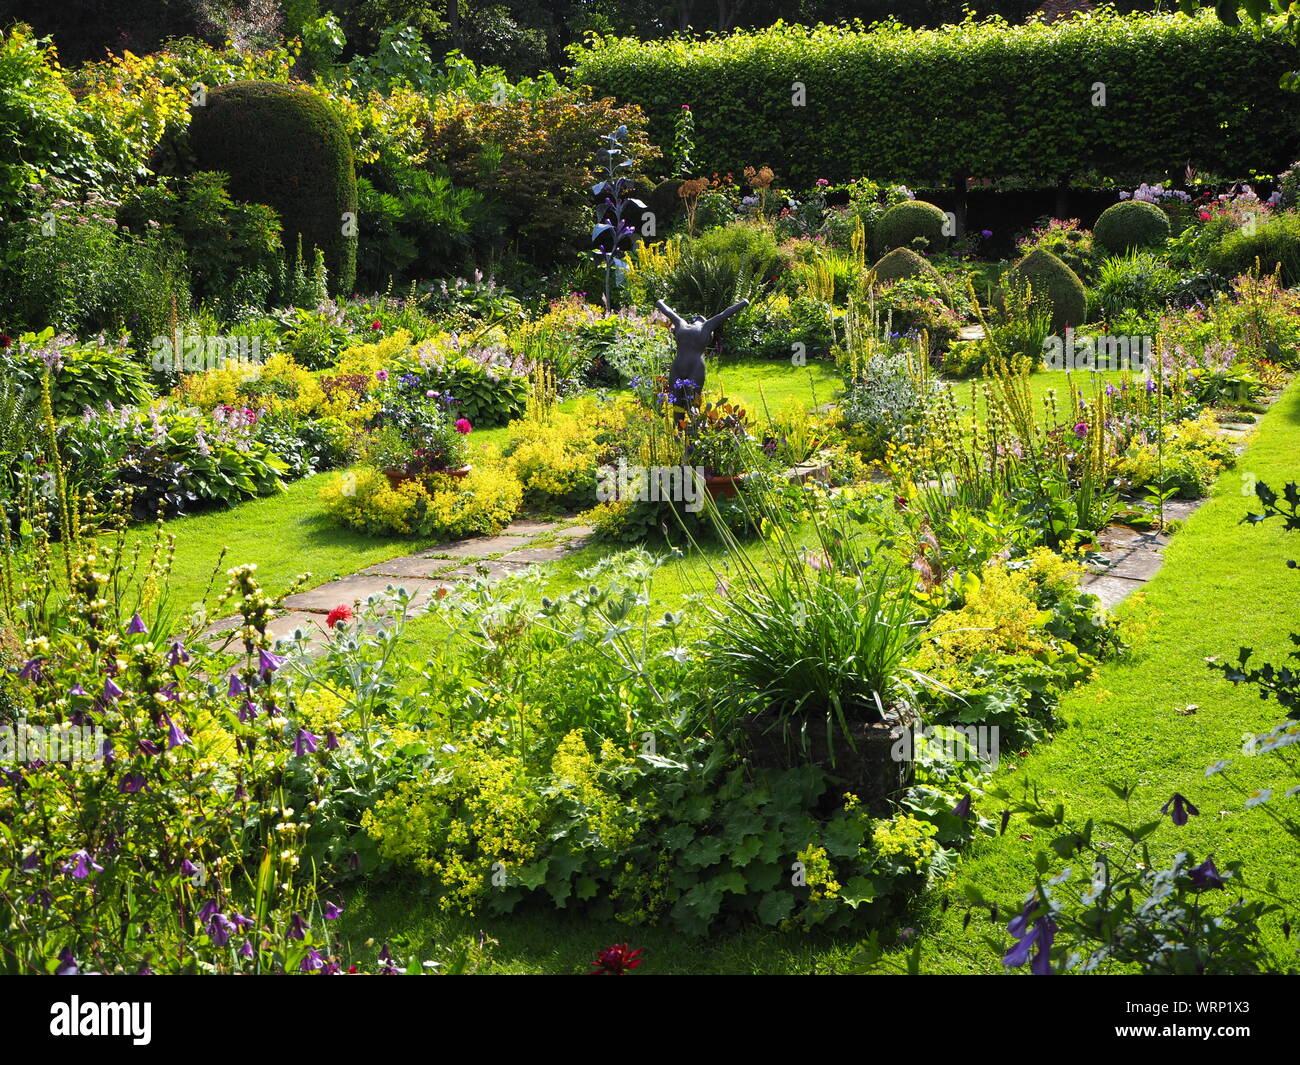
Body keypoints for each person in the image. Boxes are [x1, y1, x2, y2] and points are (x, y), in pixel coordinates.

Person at [655, 297, 750, 408]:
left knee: (693, 403)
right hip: (678, 367)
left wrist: (743, 303)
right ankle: (678, 425)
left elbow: (724, 314)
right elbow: (669, 312)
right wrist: (660, 303)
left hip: (695, 367)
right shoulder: (683, 324)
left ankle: (694, 424)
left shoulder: (706, 326)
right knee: (677, 404)